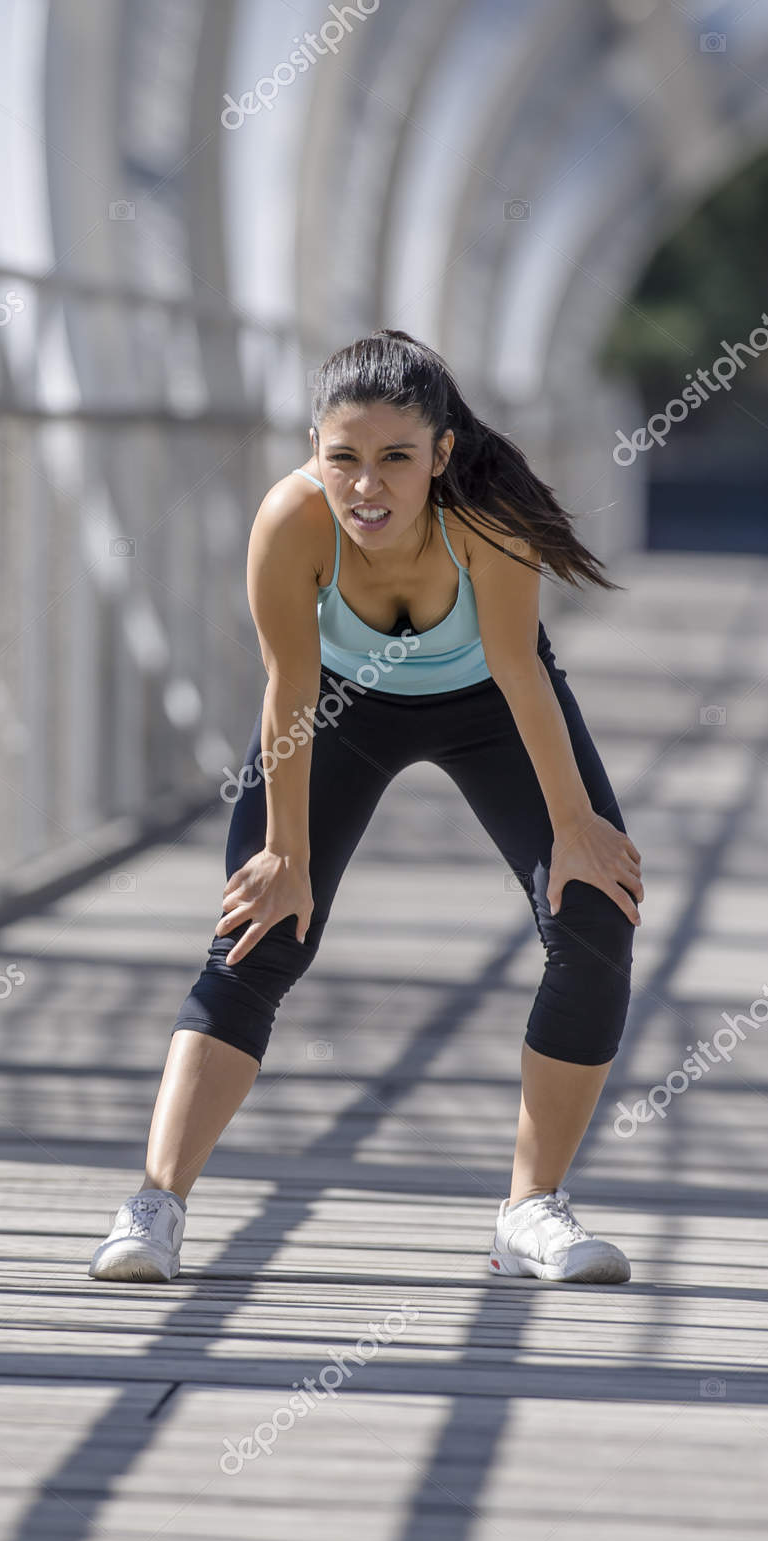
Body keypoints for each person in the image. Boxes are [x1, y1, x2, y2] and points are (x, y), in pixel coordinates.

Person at [89, 329, 642, 1286]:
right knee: (260, 934)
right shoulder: (289, 521)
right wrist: (285, 851)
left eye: (395, 458)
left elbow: (517, 670)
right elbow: (288, 688)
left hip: (487, 704)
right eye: (341, 458)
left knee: (593, 916)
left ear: (442, 454)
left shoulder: (487, 516)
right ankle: (153, 1206)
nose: (366, 487)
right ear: (313, 450)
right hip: (338, 709)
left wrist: (574, 828)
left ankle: (530, 1210)